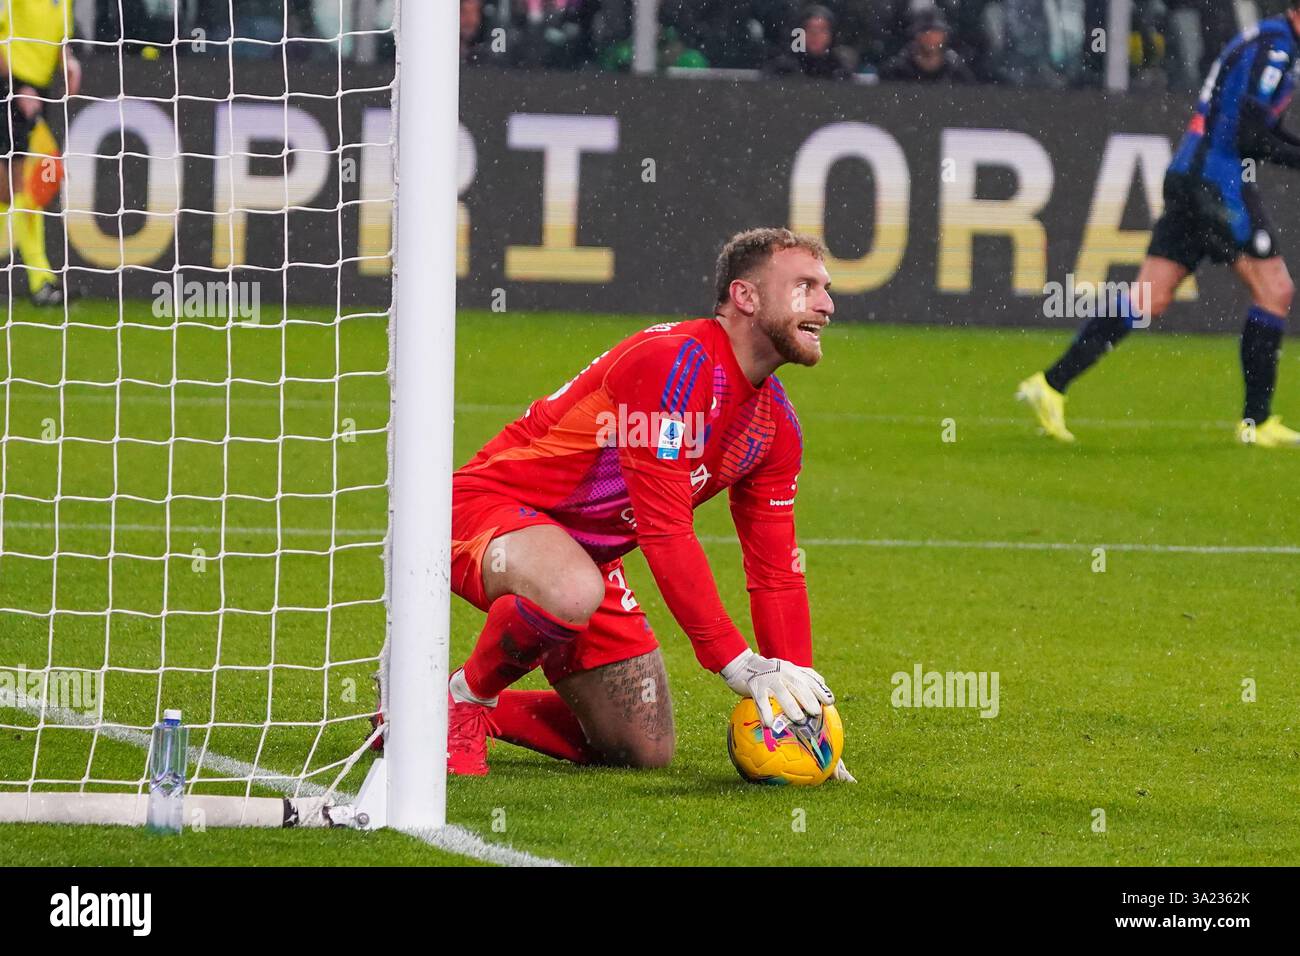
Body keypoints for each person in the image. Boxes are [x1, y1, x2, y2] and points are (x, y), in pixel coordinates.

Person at [432, 228, 852, 779]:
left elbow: (775, 573)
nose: (826, 304)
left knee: (641, 747)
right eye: (805, 286)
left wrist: (803, 708)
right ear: (745, 297)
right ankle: (463, 700)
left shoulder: (776, 427)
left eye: (825, 288)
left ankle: (419, 710)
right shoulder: (674, 364)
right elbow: (666, 531)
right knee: (571, 589)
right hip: (483, 508)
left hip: (583, 559)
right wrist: (734, 662)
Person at [1017, 2, 1300, 448]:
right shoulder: (1276, 50)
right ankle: (1256, 423)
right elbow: (1247, 135)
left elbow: (1253, 128)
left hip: (1195, 177)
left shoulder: (1272, 41)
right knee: (1275, 290)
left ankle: (1049, 384)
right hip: (1214, 185)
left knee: (1149, 297)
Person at [0, 0, 79, 306]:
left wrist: (69, 62)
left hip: (37, 93)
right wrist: (16, 85)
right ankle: (40, 281)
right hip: (10, 86)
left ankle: (41, 280)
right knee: (17, 187)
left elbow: (59, 40)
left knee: (19, 189)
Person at [878, 10, 975, 84]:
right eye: (925, 32)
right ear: (916, 35)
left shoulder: (956, 71)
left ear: (944, 36)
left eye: (936, 32)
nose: (931, 37)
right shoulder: (897, 69)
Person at [766, 5, 857, 80]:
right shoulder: (783, 68)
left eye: (822, 30)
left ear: (831, 36)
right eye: (810, 29)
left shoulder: (840, 71)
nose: (815, 35)